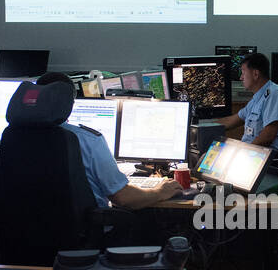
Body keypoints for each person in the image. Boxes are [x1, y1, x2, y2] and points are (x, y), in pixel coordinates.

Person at [37, 72, 182, 209]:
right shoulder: (87, 140)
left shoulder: (15, 138)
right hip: (85, 230)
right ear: (70, 104)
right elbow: (124, 199)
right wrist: (160, 192)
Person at [217, 52, 278, 151]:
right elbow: (231, 121)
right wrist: (202, 127)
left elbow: (267, 136)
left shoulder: (275, 94)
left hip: (265, 156)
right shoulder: (258, 98)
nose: (241, 78)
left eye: (243, 72)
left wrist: (242, 152)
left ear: (255, 74)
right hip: (252, 151)